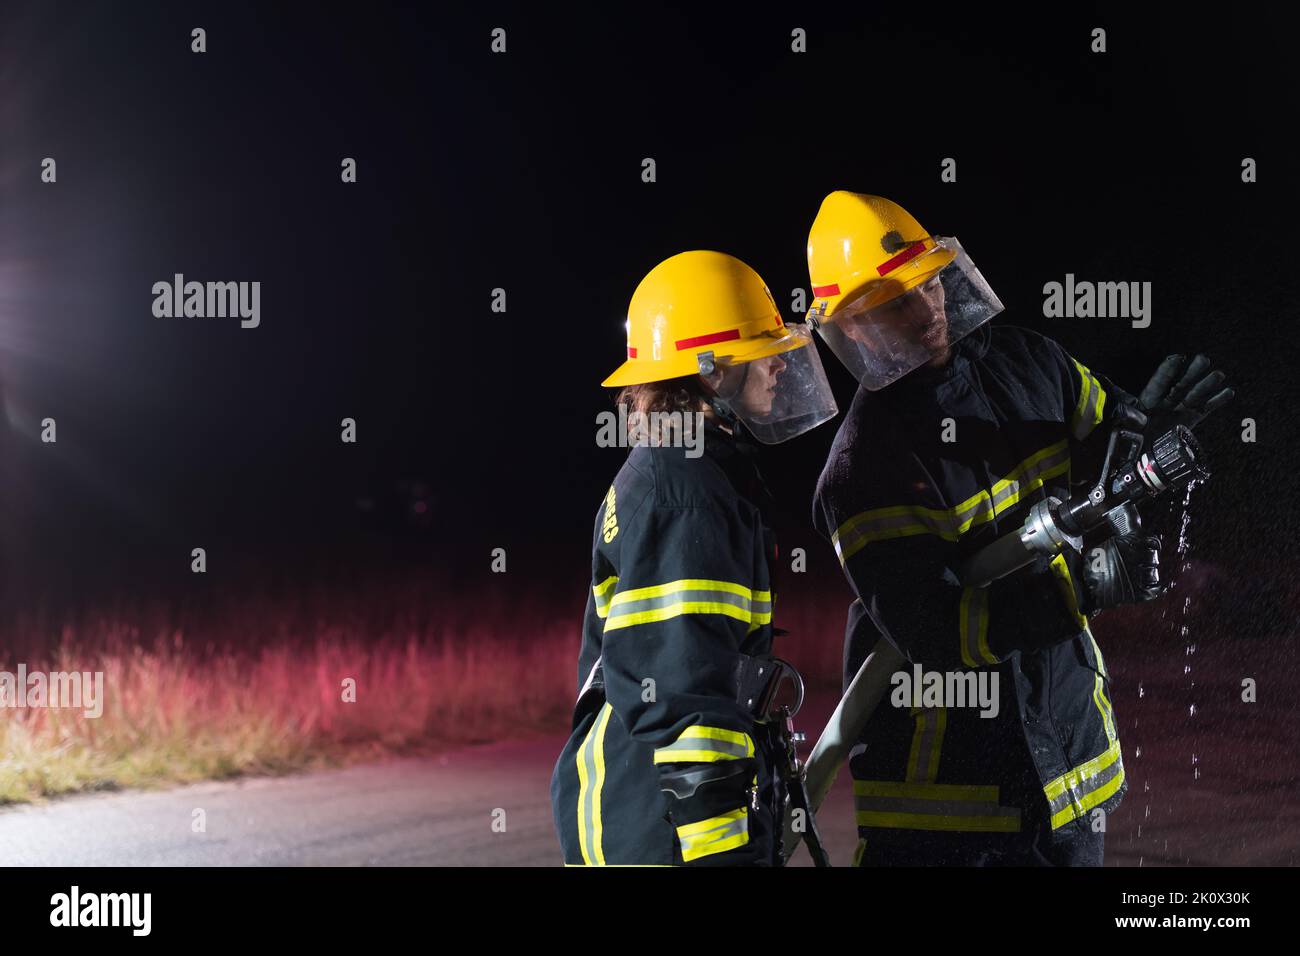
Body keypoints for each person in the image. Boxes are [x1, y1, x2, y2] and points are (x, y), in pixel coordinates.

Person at [804, 191, 1232, 866]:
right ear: (851, 327)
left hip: (1068, 764)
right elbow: (939, 635)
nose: (927, 310)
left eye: (929, 283)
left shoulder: (1029, 363)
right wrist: (1078, 592)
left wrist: (1138, 436)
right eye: (895, 301)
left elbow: (1104, 461)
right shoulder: (862, 471)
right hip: (949, 801)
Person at [550, 250, 838, 865]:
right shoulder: (685, 490)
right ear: (710, 370)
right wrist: (721, 849)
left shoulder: (686, 470)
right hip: (661, 827)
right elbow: (681, 690)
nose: (778, 371)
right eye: (761, 353)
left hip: (648, 813)